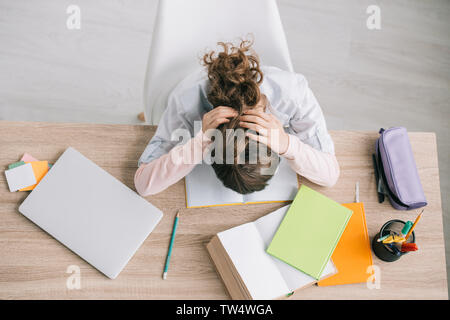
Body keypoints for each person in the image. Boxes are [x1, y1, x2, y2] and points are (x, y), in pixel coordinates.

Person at [134, 39, 339, 196]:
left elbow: (330, 175)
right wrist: (200, 141)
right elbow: (143, 184)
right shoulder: (185, 102)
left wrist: (288, 144)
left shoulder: (294, 94)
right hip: (185, 71)